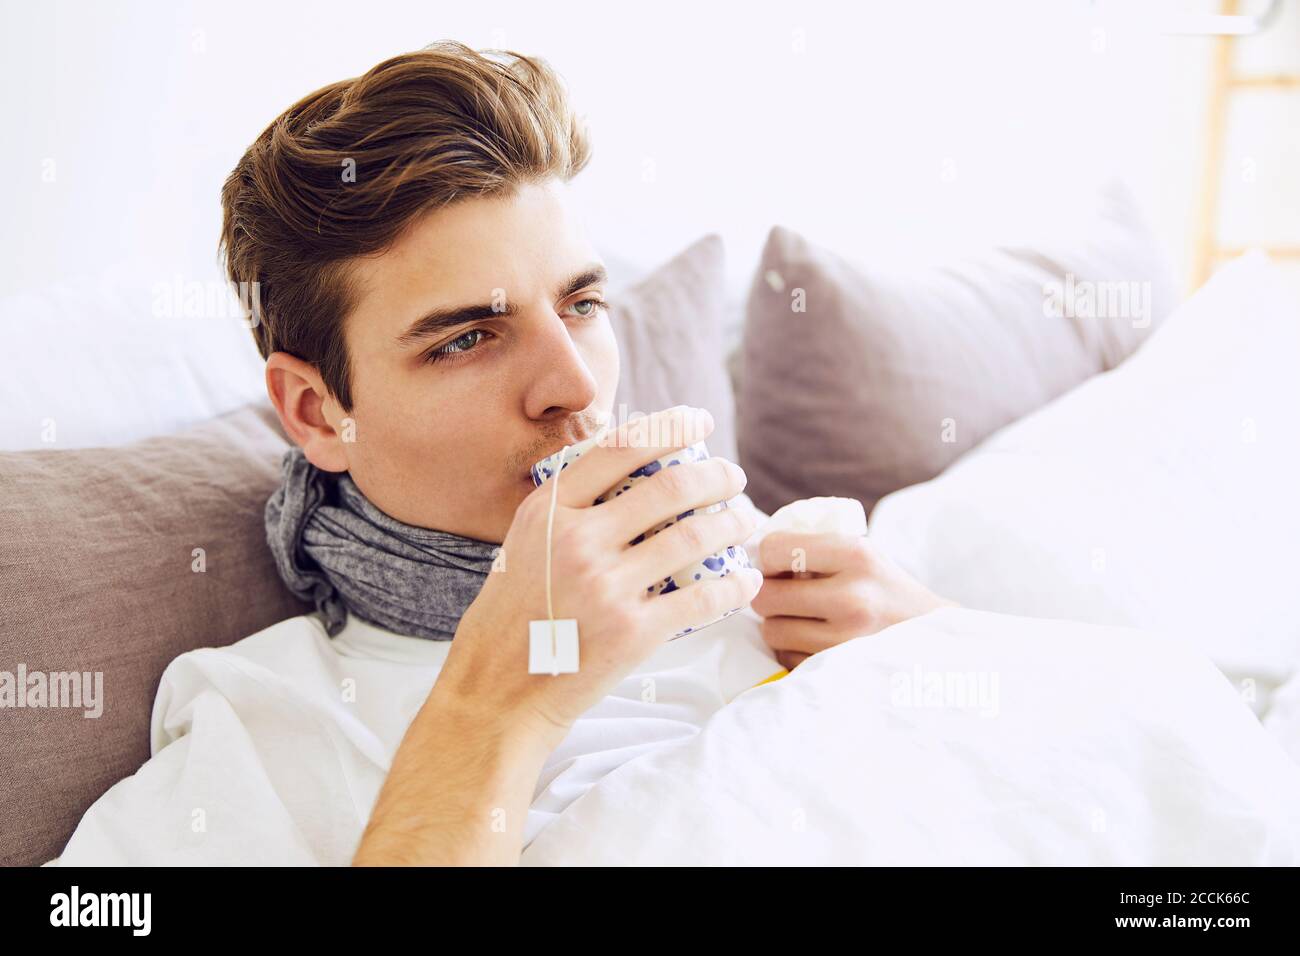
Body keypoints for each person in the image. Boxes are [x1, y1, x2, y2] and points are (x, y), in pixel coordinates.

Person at [49, 41, 953, 867]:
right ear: (319, 413)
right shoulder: (257, 729)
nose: (575, 387)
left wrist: (927, 646)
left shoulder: (760, 574)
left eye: (583, 307)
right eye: (466, 340)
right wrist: (495, 705)